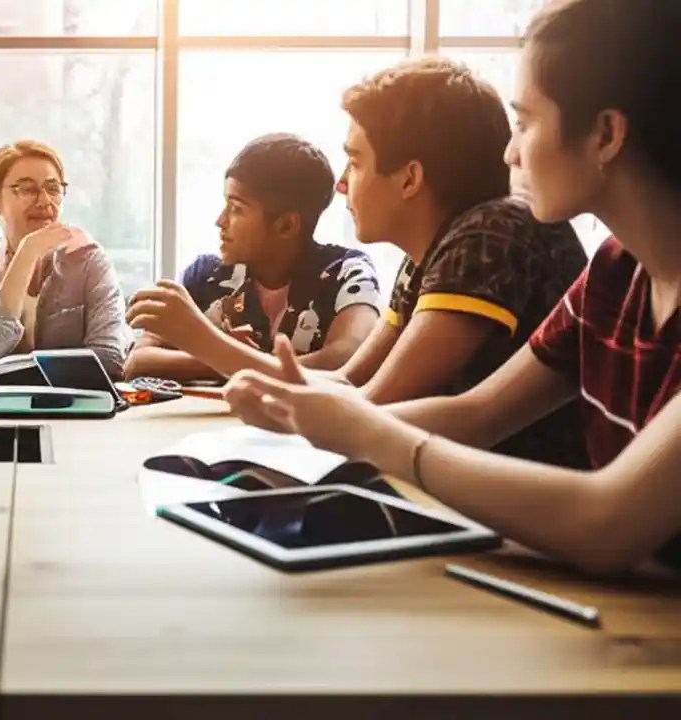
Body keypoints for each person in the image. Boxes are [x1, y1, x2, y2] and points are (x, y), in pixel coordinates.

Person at [224, 0, 681, 575]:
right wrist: (310, 417)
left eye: (526, 123)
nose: (512, 152)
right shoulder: (616, 272)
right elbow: (477, 413)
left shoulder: (497, 231)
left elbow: (606, 524)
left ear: (606, 134)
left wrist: (371, 435)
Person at [140, 56, 589, 467]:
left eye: (354, 161)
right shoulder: (428, 256)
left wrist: (203, 340)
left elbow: (368, 406)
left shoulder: (490, 234)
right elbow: (347, 384)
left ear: (410, 178)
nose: (340, 186)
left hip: (515, 516)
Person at [124, 134, 380, 381]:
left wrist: (220, 352)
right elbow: (137, 361)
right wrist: (220, 356)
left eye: (236, 208)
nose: (220, 221)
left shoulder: (346, 274)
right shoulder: (207, 277)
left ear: (287, 226)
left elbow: (348, 359)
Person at [0, 140, 130, 376]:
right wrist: (28, 253)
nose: (45, 201)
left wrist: (12, 374)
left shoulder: (89, 263)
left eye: (53, 188)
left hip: (79, 409)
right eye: (27, 189)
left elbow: (109, 358)